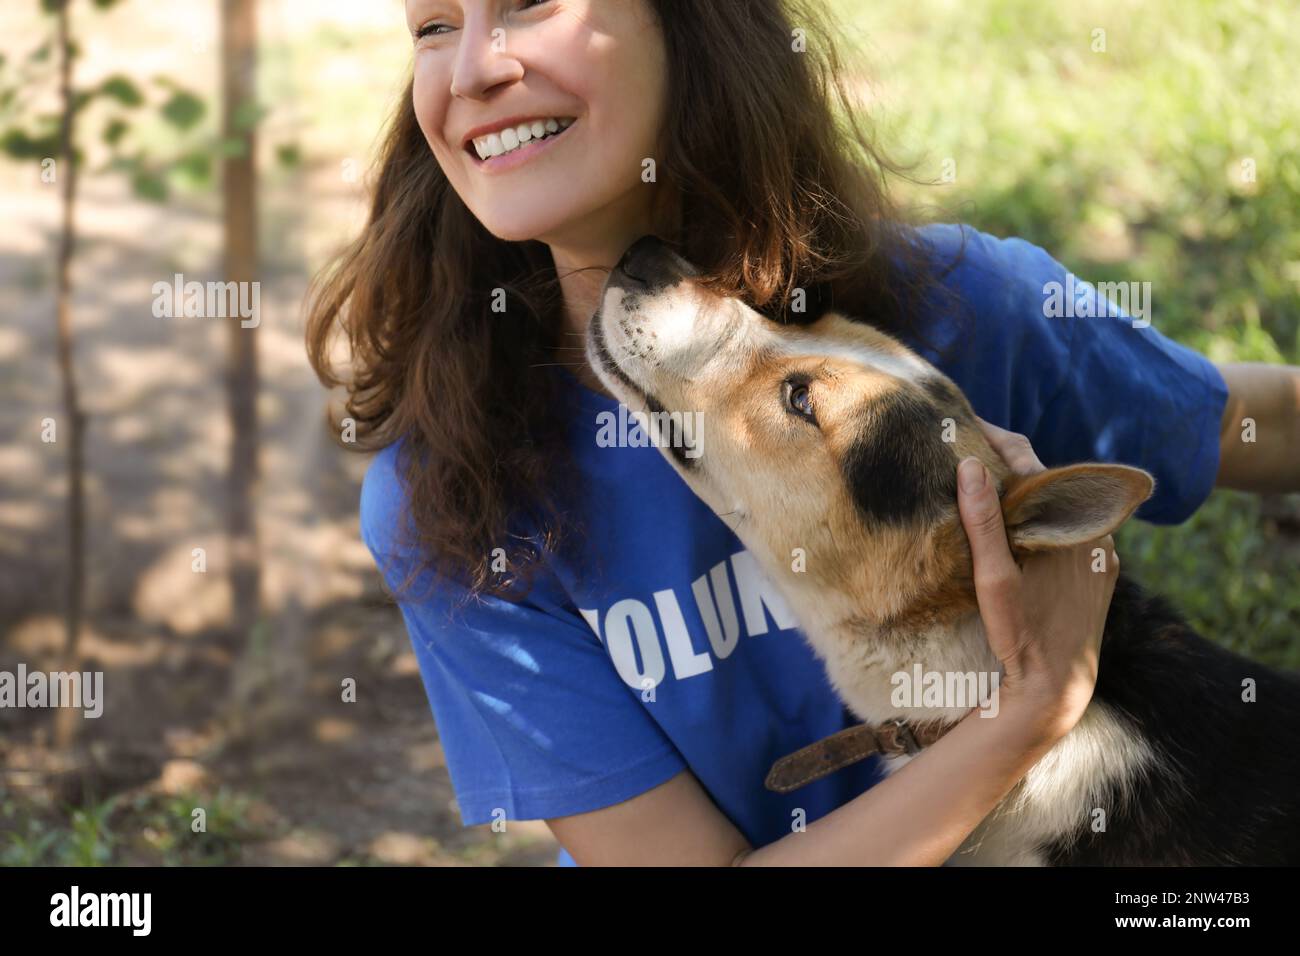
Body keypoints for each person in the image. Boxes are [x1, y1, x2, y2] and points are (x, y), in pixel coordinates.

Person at [305, 0, 1300, 865]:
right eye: (432, 25)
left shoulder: (958, 305)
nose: (476, 65)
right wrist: (1028, 711)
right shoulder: (454, 501)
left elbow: (1257, 422)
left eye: (532, 2)